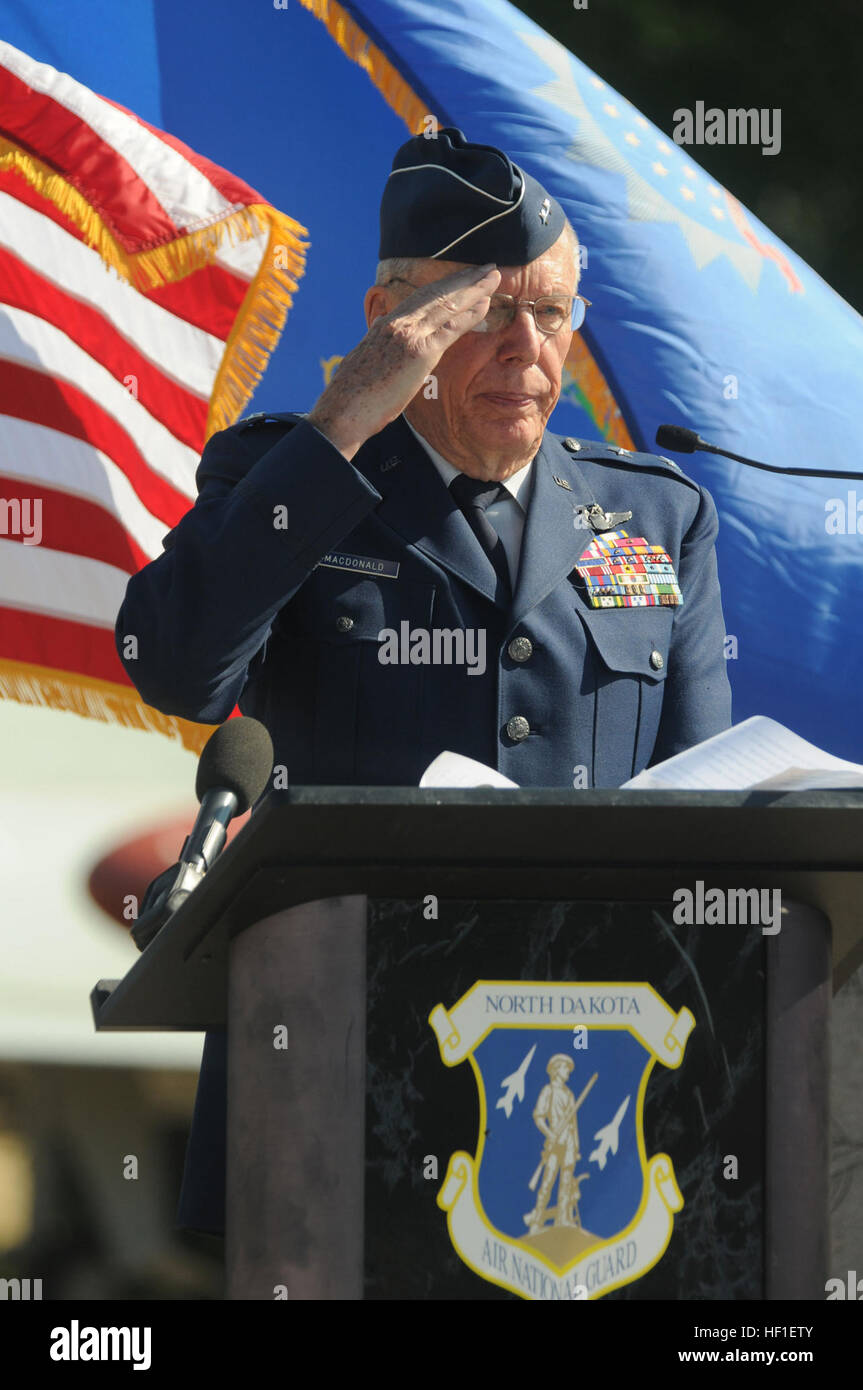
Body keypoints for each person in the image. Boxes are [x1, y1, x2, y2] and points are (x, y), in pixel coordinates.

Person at [115, 128, 732, 1237]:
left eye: (551, 314)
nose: (528, 349)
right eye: (488, 312)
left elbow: (704, 823)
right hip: (342, 1070)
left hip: (592, 1089)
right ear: (392, 323)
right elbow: (176, 668)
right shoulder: (283, 475)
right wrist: (344, 421)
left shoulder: (653, 517)